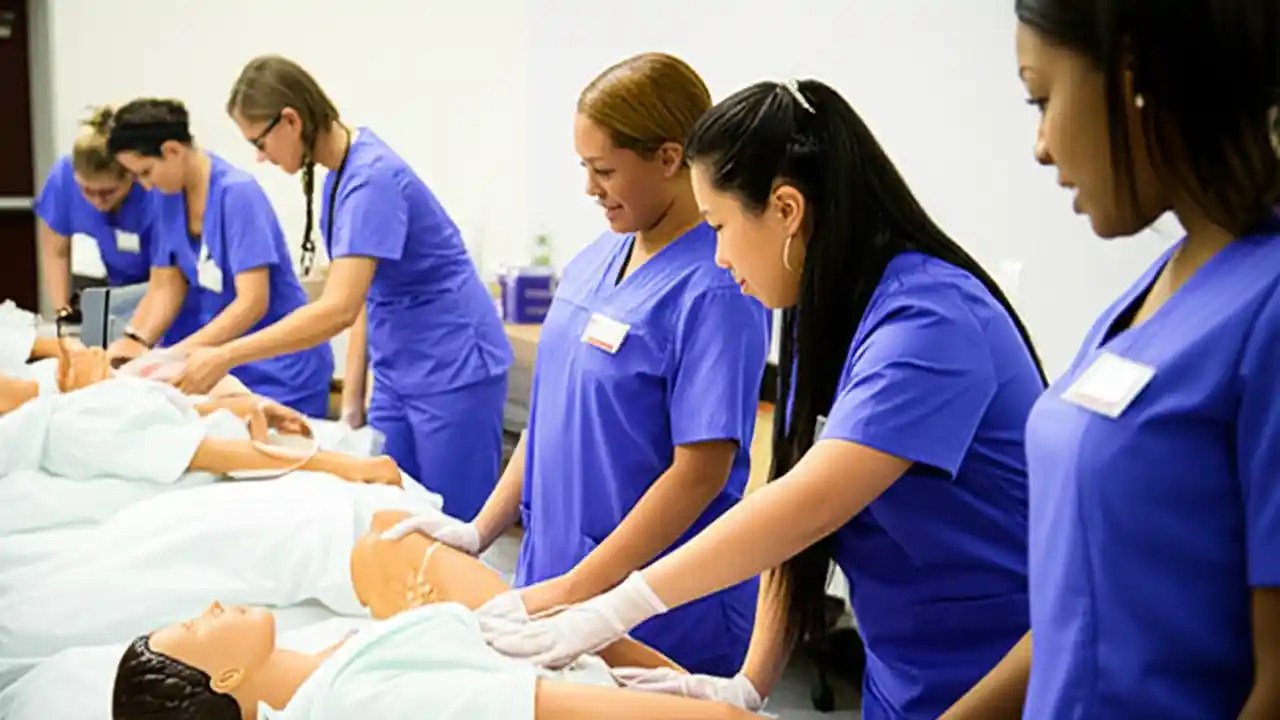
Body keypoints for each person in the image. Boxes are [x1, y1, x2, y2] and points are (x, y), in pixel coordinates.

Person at [469, 79, 1049, 720]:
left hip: (995, 673)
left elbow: (805, 504)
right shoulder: (825, 315)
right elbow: (798, 515)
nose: (716, 255)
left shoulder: (930, 322)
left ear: (787, 210)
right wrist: (751, 682)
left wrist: (608, 605)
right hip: (904, 672)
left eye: (718, 225)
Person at [939, 3, 1280, 719]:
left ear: (1135, 73)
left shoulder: (1265, 311)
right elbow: (1085, 612)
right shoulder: (1159, 287)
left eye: (1043, 97)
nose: (1039, 145)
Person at [384, 53, 772, 676]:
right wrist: (482, 529)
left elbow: (700, 470)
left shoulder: (719, 285)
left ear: (670, 159)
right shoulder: (600, 256)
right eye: (585, 168)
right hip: (557, 572)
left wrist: (584, 593)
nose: (590, 188)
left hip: (654, 605)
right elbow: (553, 413)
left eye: (605, 170)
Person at [174, 55, 513, 519]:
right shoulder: (340, 175)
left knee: (453, 522)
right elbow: (366, 298)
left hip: (453, 365)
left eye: (259, 141)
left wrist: (226, 354)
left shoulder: (371, 179)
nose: (260, 157)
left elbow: (337, 309)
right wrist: (352, 402)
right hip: (401, 367)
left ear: (290, 120)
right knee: (391, 508)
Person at [110, 511, 762, 720]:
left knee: (387, 540)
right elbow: (553, 703)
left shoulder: (326, 660)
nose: (213, 607)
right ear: (223, 679)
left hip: (562, 651)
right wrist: (724, 707)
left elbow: (524, 637)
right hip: (612, 691)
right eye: (197, 626)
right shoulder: (366, 697)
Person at [107, 98, 335, 418]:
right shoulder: (166, 196)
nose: (145, 184)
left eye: (145, 172)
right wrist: (136, 341)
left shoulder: (237, 194)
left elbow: (252, 302)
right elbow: (166, 283)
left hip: (279, 370)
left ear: (172, 151)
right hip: (215, 367)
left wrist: (176, 355)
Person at [33, 107, 202, 344]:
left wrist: (138, 339)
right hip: (115, 291)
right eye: (86, 191)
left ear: (131, 175)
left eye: (107, 192)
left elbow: (168, 282)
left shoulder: (156, 193)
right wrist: (64, 315)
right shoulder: (63, 178)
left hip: (170, 295)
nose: (97, 202)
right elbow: (56, 252)